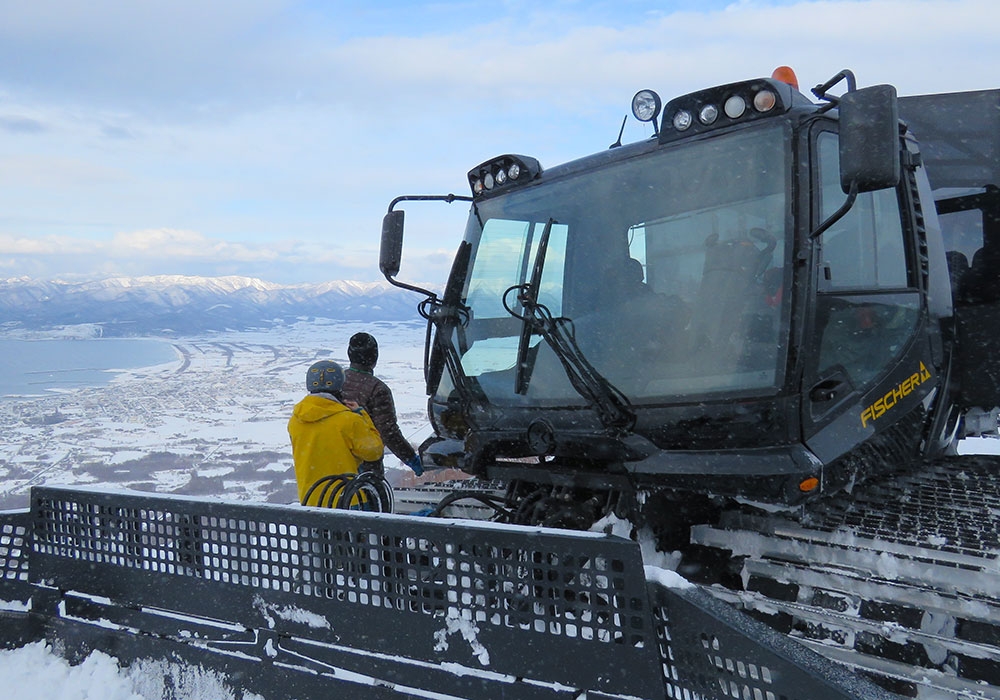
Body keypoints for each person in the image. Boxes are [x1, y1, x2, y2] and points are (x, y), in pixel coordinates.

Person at [288, 360, 384, 506]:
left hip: (312, 501)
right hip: (347, 500)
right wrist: (362, 414)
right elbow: (374, 452)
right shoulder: (349, 420)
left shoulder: (295, 421)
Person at [341, 332, 423, 477]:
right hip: (366, 466)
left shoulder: (335, 382)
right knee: (369, 498)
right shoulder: (377, 389)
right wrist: (411, 459)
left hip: (334, 461)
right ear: (374, 357)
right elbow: (388, 432)